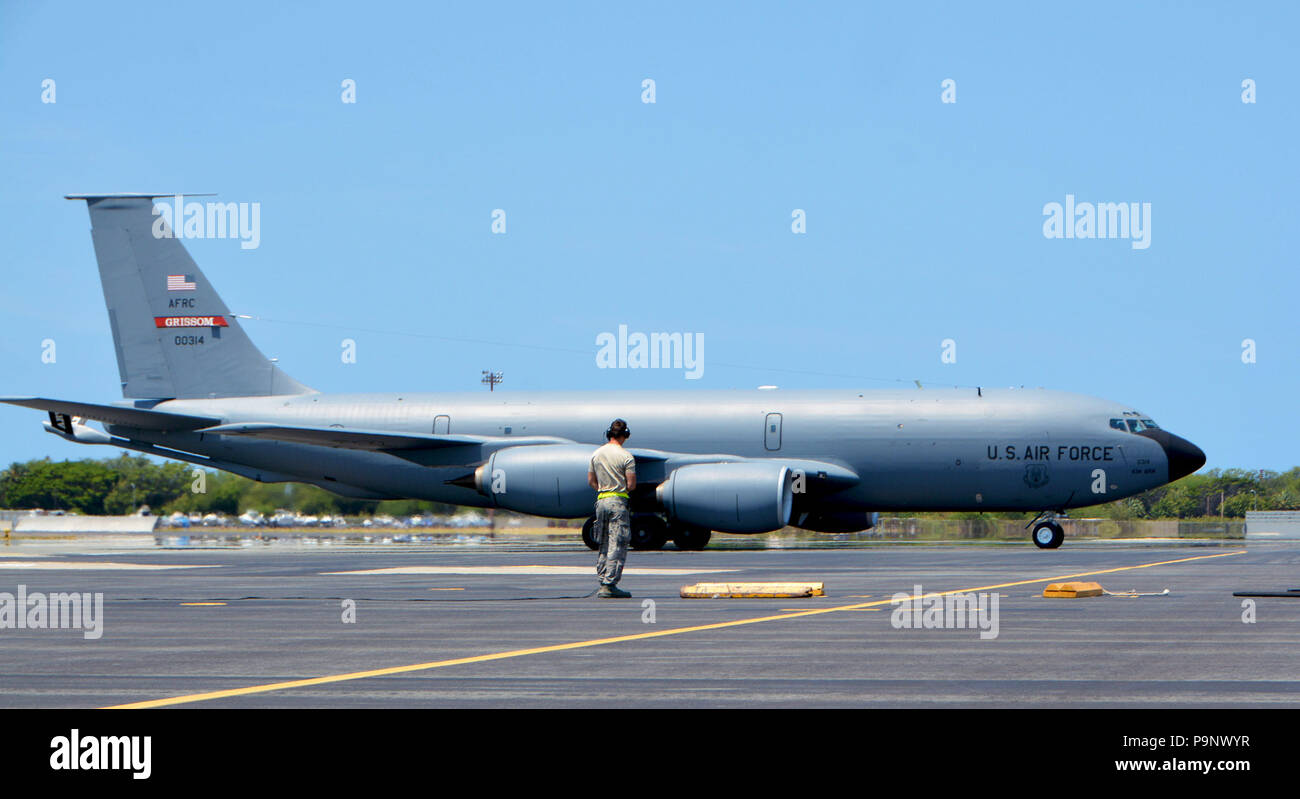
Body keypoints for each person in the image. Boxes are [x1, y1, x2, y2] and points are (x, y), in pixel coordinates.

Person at [588, 419, 636, 598]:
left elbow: (591, 481)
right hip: (618, 502)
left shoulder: (596, 454)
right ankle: (610, 584)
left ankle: (602, 579)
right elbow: (631, 485)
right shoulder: (626, 456)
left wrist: (604, 489)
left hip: (601, 501)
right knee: (618, 542)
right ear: (625, 435)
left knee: (604, 542)